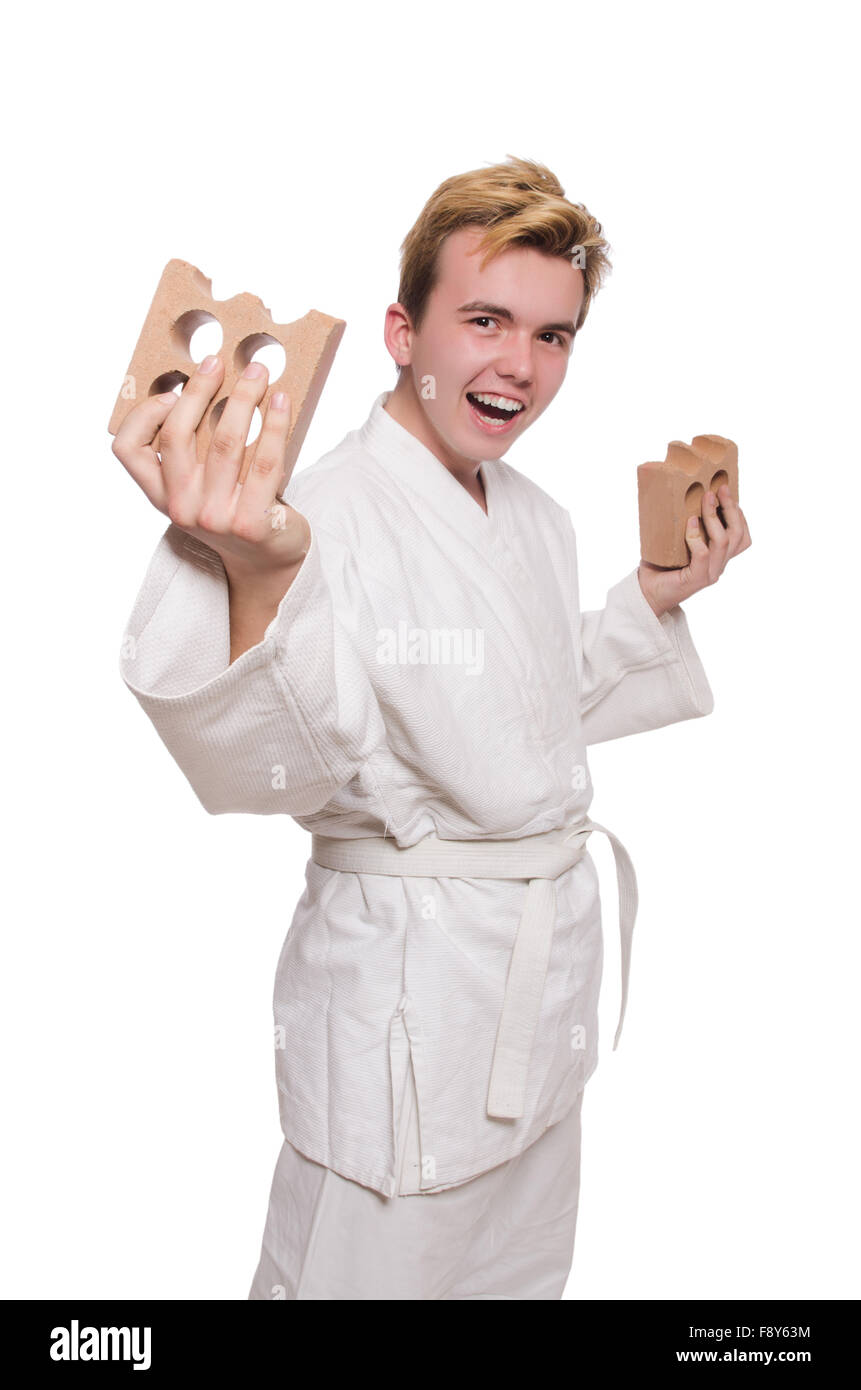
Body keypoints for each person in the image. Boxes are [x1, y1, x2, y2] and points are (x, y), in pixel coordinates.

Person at [112, 155, 751, 1301]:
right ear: (404, 333)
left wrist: (654, 597)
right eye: (487, 319)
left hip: (533, 995)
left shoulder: (539, 518)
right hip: (403, 1007)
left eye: (554, 335)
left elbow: (523, 710)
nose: (521, 364)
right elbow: (283, 759)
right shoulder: (322, 512)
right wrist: (258, 573)